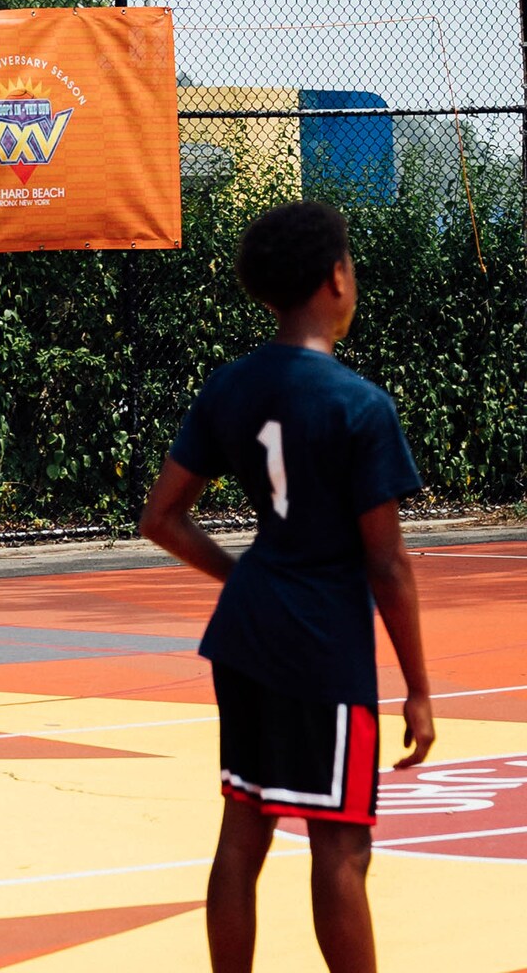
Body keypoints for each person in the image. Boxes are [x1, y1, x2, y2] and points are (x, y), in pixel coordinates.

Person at [140, 200, 434, 973]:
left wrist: (247, 578)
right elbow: (387, 564)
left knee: (244, 831)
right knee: (341, 844)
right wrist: (421, 688)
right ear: (336, 277)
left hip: (245, 633)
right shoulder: (360, 406)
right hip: (322, 643)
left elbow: (162, 518)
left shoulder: (231, 386)